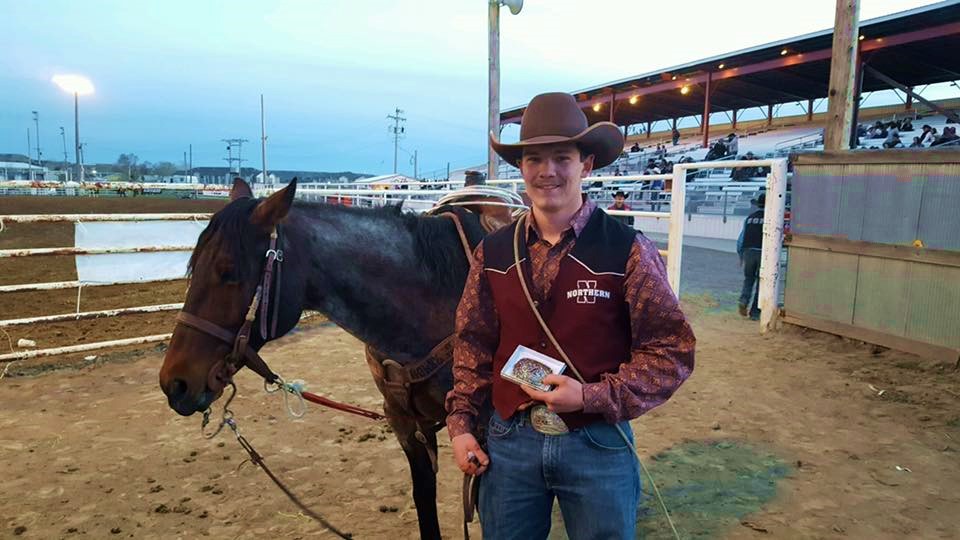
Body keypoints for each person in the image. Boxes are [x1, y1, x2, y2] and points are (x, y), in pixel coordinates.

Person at [446, 92, 695, 539]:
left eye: (562, 157)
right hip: (509, 441)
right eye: (534, 159)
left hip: (596, 443)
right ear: (521, 169)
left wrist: (591, 398)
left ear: (586, 164)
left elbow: (671, 352)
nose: (547, 171)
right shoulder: (493, 252)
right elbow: (472, 342)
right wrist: (462, 425)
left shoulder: (628, 250)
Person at [737, 193, 765, 320]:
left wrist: (740, 255)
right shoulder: (771, 219)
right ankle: (755, 312)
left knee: (748, 279)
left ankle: (744, 300)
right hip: (763, 252)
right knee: (762, 283)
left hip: (748, 251)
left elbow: (741, 239)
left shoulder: (749, 218)